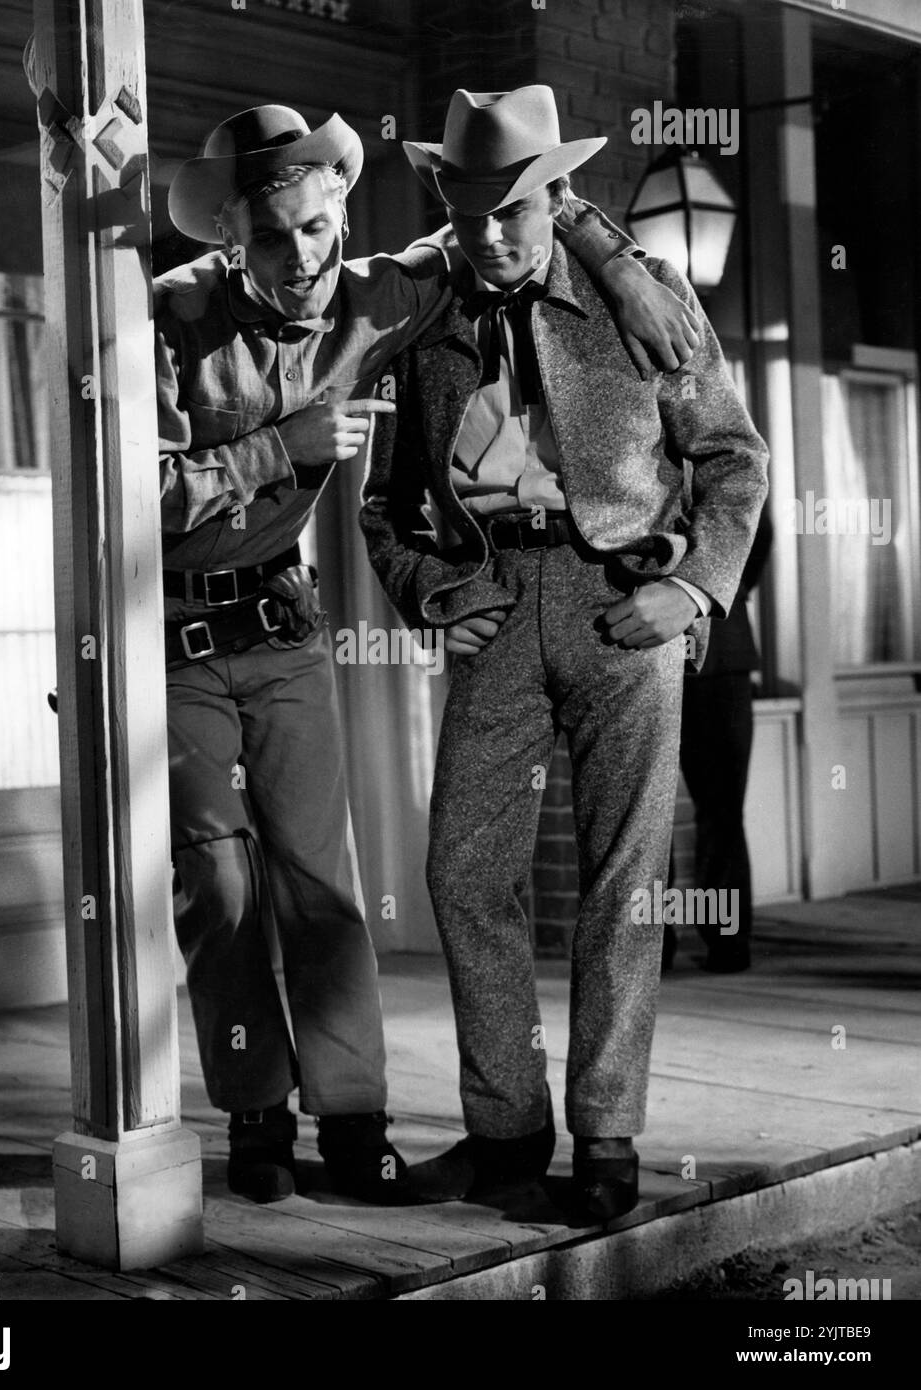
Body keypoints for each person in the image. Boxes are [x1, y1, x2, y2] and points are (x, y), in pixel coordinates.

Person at [155, 99, 700, 1205]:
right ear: (228, 237)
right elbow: (151, 498)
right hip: (180, 628)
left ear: (341, 212)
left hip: (341, 619)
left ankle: (423, 1127)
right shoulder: (190, 316)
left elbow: (501, 224)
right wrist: (299, 464)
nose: (303, 256)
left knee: (345, 886)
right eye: (272, 236)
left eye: (318, 228)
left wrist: (621, 256)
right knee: (252, 888)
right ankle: (293, 1117)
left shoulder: (408, 294)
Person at [359, 85, 769, 1221]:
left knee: (624, 882)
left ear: (558, 196)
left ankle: (607, 1139)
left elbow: (734, 459)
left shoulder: (646, 303)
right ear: (446, 201)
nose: (493, 236)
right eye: (472, 210)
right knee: (461, 874)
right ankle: (503, 1133)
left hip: (624, 605)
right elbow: (382, 511)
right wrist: (434, 591)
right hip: (495, 606)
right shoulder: (421, 335)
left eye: (518, 210)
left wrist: (689, 590)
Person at [665, 507, 774, 974]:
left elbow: (756, 528)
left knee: (722, 811)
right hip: (639, 652)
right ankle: (653, 948)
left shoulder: (722, 450)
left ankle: (728, 943)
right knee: (642, 815)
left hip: (721, 652)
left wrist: (722, 590)